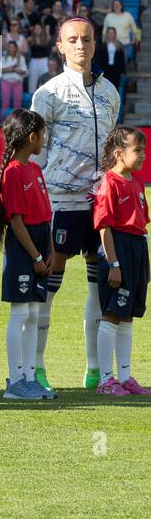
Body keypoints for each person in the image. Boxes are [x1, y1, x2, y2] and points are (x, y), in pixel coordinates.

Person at [30, 16, 121, 393]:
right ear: (60, 46)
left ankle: (95, 369)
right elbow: (35, 152)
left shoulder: (110, 92)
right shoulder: (48, 93)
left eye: (86, 38)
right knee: (49, 285)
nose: (81, 44)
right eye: (73, 39)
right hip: (60, 200)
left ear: (95, 43)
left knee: (99, 286)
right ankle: (35, 366)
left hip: (99, 205)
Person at [0, 109, 55, 401]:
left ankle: (30, 377)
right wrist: (36, 257)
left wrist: (50, 250)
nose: (45, 139)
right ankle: (15, 381)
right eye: (43, 134)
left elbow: (45, 215)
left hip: (40, 245)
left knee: (33, 312)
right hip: (24, 248)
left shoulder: (36, 170)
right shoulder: (13, 172)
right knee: (20, 313)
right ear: (32, 137)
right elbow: (16, 221)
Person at [93, 127, 151, 396]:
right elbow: (104, 227)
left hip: (137, 250)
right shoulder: (109, 183)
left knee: (128, 316)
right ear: (119, 153)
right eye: (137, 150)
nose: (143, 156)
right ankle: (106, 379)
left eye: (144, 150)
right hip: (119, 250)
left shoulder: (137, 182)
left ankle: (125, 377)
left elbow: (142, 225)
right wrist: (114, 264)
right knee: (112, 314)